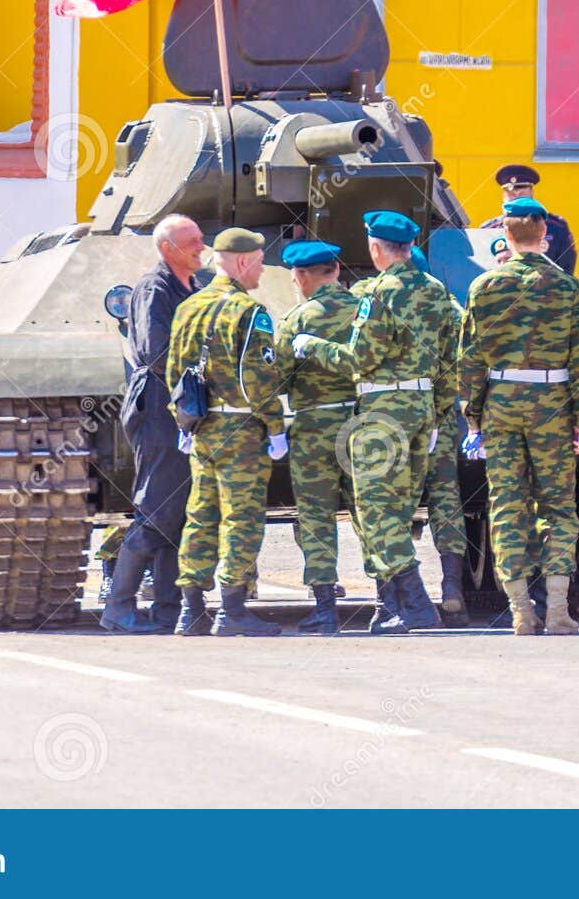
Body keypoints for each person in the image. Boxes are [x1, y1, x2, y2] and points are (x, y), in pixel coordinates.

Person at [291, 211, 449, 632]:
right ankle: (395, 607)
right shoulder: (435, 290)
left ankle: (415, 606)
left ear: (376, 250)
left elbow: (360, 359)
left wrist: (312, 346)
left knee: (378, 513)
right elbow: (452, 360)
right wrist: (439, 412)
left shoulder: (379, 294)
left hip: (382, 412)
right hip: (422, 408)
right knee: (398, 511)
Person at [460, 196, 579, 634]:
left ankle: (520, 610)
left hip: (501, 402)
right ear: (544, 235)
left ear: (506, 236)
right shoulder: (568, 288)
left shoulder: (485, 287)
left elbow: (470, 358)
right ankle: (557, 610)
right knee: (557, 505)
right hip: (553, 402)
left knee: (507, 504)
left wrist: (474, 418)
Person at [166, 227, 288, 638]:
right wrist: (275, 426)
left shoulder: (189, 307)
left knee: (201, 514)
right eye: (258, 260)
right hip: (240, 427)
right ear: (240, 261)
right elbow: (258, 378)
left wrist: (183, 421)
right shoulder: (249, 311)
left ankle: (191, 609)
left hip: (202, 427)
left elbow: (174, 373)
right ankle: (232, 609)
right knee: (241, 516)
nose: (261, 270)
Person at [102, 214, 204, 634]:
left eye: (201, 238)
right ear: (168, 249)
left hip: (183, 405)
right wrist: (205, 363)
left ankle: (167, 607)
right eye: (192, 241)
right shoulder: (154, 289)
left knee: (176, 512)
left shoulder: (193, 286)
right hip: (161, 405)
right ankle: (118, 608)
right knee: (156, 509)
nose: (202, 246)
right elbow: (155, 351)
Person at [273, 241, 359, 635]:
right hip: (364, 427)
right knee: (371, 513)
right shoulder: (364, 311)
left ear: (302, 276)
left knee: (317, 519)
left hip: (313, 429)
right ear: (337, 270)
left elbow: (280, 378)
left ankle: (326, 610)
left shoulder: (297, 319)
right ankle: (393, 604)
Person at [409, 244, 469, 625]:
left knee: (395, 501)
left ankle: (406, 595)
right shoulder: (449, 306)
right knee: (446, 497)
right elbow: (466, 355)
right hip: (441, 414)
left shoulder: (379, 299)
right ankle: (453, 588)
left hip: (393, 418)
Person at [480, 164, 577, 274]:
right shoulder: (489, 229)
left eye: (521, 194)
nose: (516, 198)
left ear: (531, 193)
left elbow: (567, 267)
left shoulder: (556, 226)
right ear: (503, 196)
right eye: (511, 194)